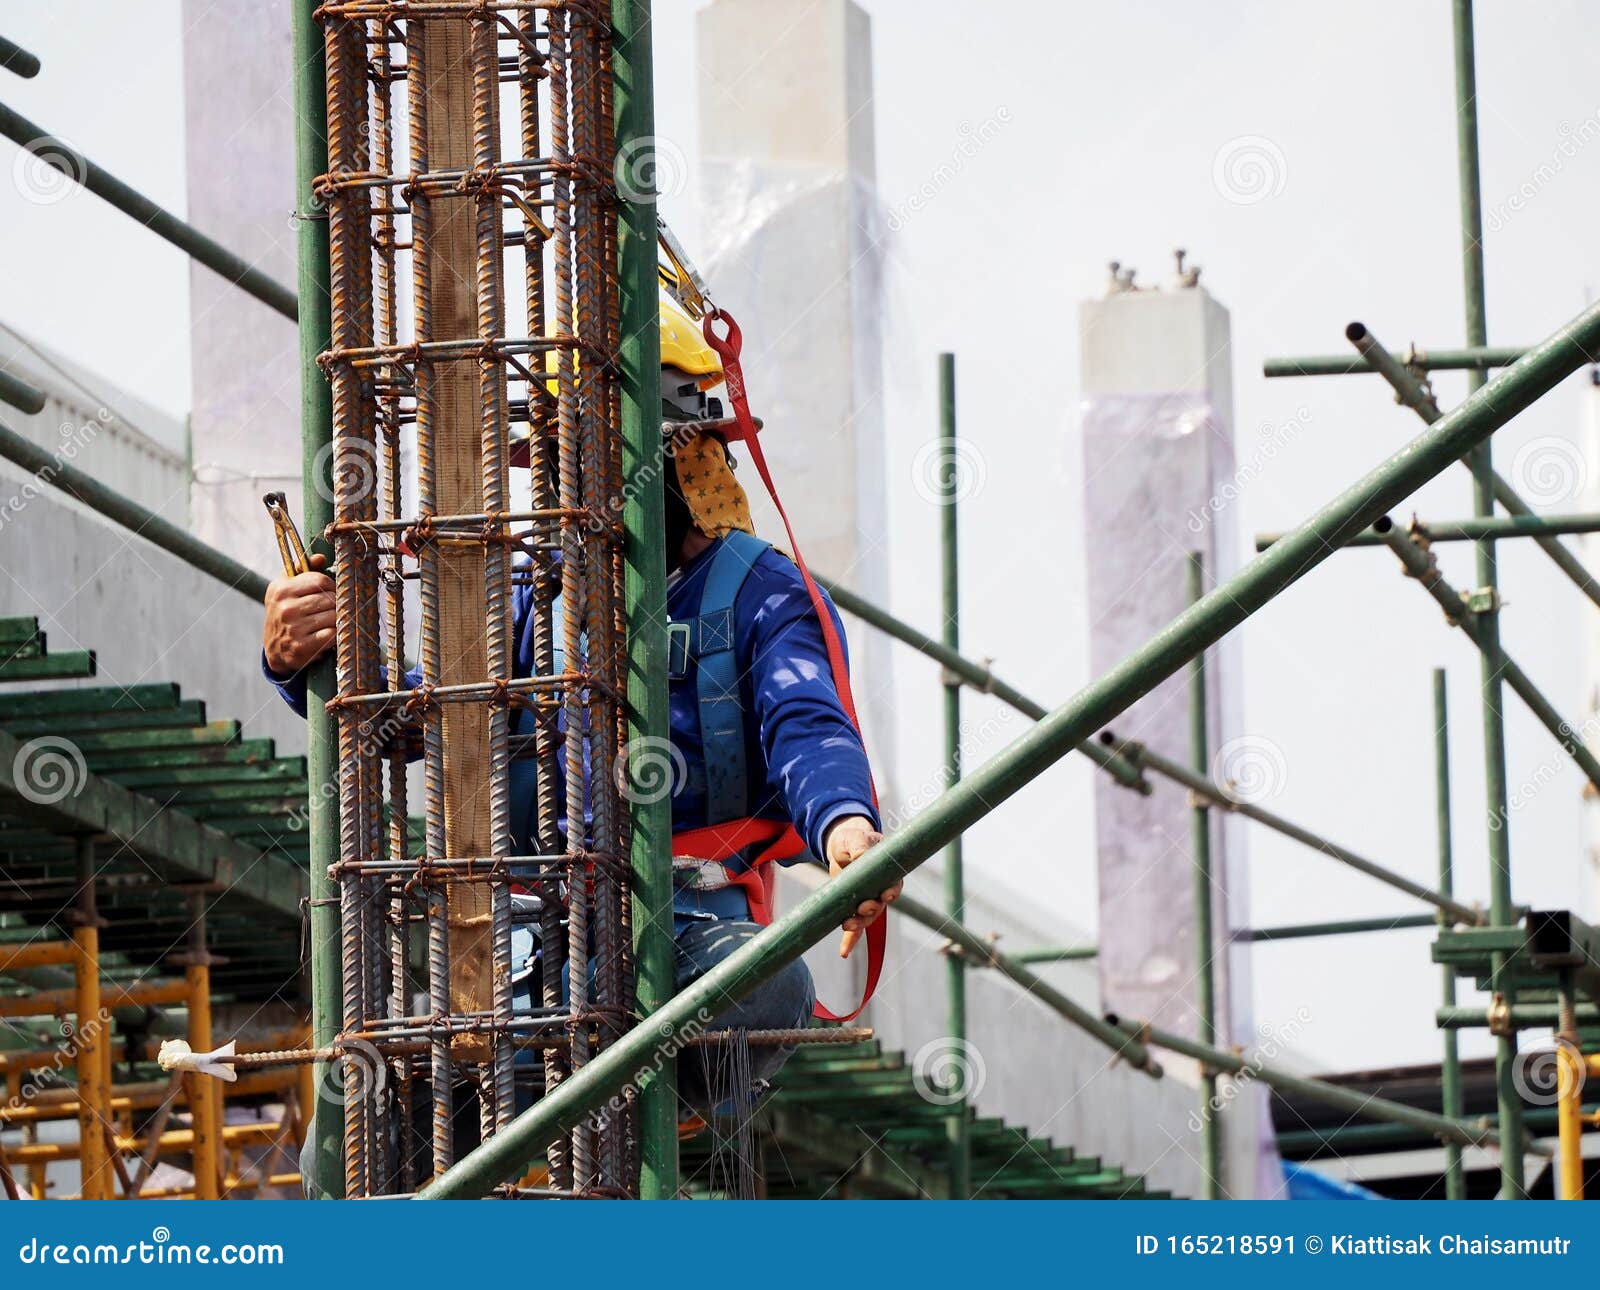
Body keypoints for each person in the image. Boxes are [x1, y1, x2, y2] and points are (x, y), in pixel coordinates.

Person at [260, 292, 900, 1132]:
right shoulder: (538, 597)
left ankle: (621, 1092)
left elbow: (806, 724)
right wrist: (300, 657)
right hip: (532, 946)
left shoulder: (761, 594)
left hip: (690, 933)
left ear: (683, 456)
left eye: (605, 454)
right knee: (361, 1119)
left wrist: (847, 828)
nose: (581, 482)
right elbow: (420, 717)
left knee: (769, 985)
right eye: (567, 457)